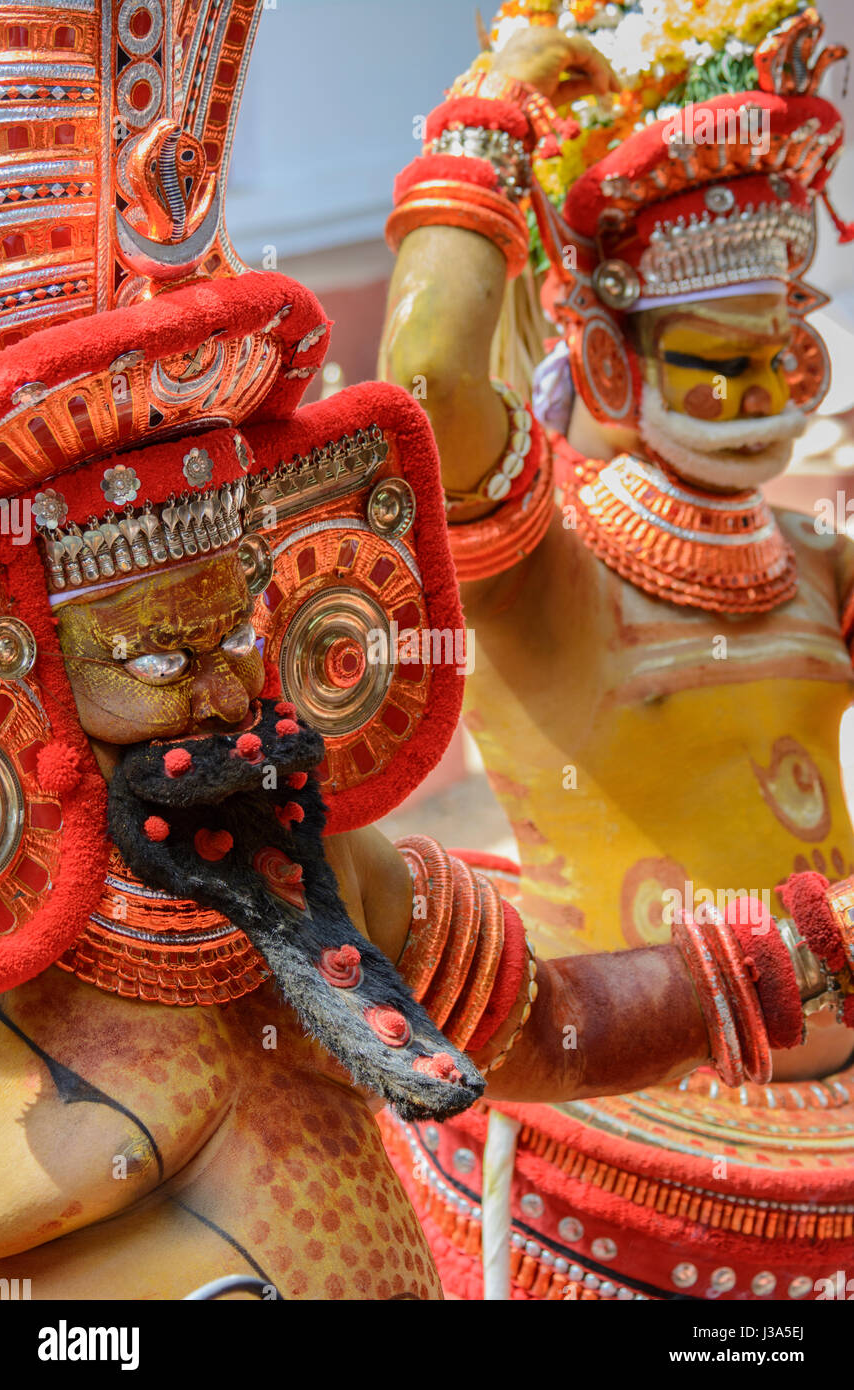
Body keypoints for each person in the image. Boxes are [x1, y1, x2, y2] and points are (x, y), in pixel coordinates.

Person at [0, 0, 841, 1302]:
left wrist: (787, 959)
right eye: (156, 663)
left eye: (234, 631)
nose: (222, 692)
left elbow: (538, 1023)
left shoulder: (315, 862)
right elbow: (437, 378)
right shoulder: (25, 970)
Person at [380, 1, 854, 1299]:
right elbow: (422, 387)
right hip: (615, 1139)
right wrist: (485, 114)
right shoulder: (546, 569)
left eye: (783, 358)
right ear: (606, 355)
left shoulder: (817, 565)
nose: (763, 399)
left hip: (825, 1139)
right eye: (718, 362)